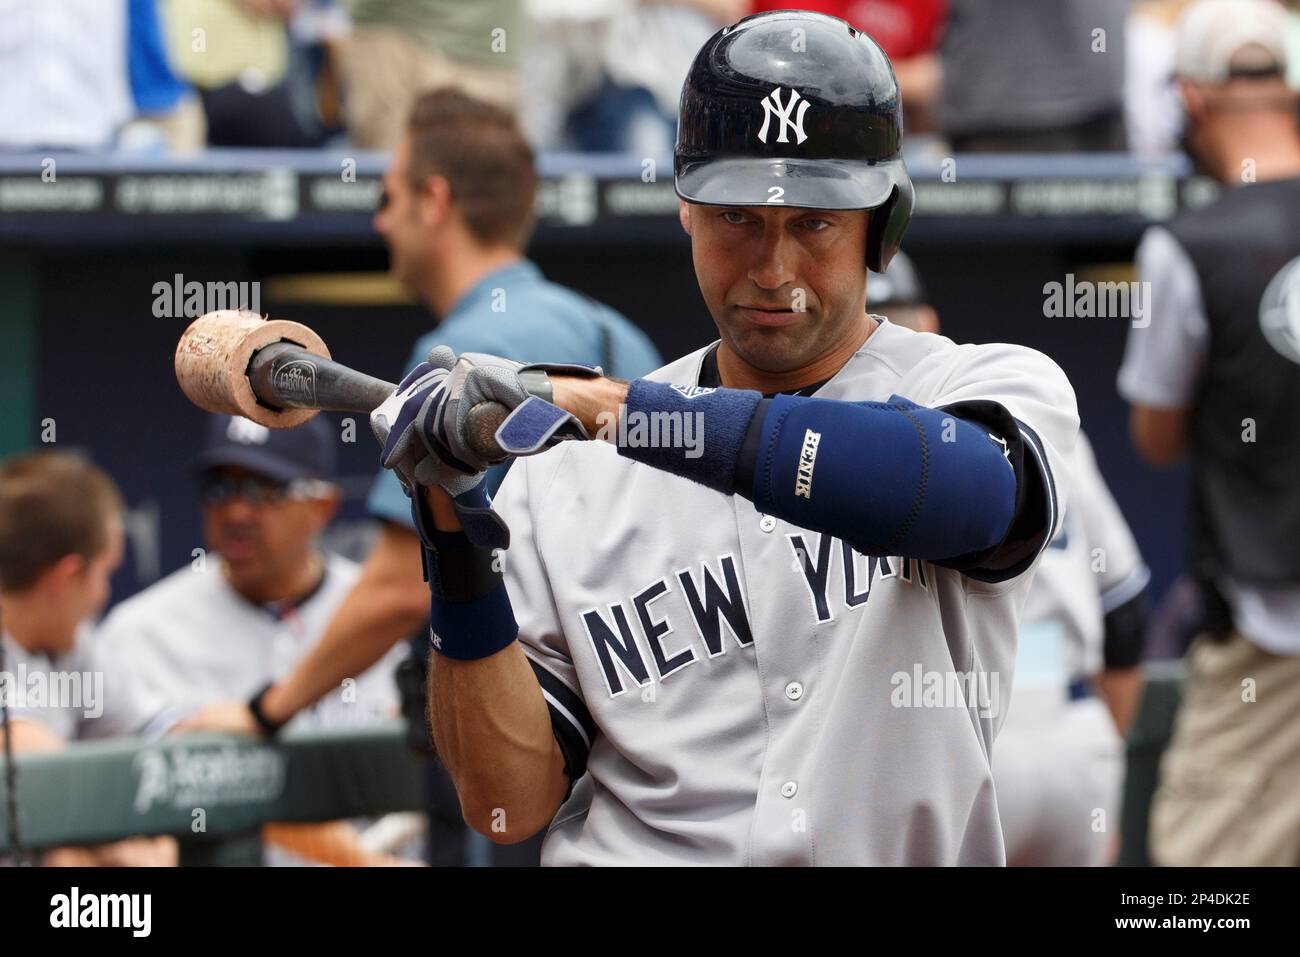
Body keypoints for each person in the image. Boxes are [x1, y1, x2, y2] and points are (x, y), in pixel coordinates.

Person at [369, 10, 1079, 865]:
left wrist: (618, 415)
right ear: (685, 210)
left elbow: (964, 492)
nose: (772, 269)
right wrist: (451, 531)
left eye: (814, 222)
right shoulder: (565, 477)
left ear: (881, 224)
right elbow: (504, 806)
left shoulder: (980, 387)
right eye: (737, 217)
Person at [183, 89, 660, 866]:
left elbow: (401, 584)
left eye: (390, 197)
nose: (379, 220)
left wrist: (265, 713)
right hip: (641, 742)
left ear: (435, 202)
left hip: (525, 741)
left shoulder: (457, 352)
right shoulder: (615, 332)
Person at [1116, 0, 1300, 866]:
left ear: (1190, 96)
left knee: (1200, 881)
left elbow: (1154, 434)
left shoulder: (1187, 247)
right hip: (1263, 618)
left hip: (1266, 636)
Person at [101, 414, 409, 866]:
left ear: (321, 506)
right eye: (222, 489)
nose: (237, 512)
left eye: (265, 489)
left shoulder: (380, 620)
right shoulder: (137, 632)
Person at [0, 452, 175, 865]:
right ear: (65, 577)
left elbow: (159, 732)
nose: (103, 593)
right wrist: (131, 848)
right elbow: (33, 760)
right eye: (104, 573)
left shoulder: (72, 642)